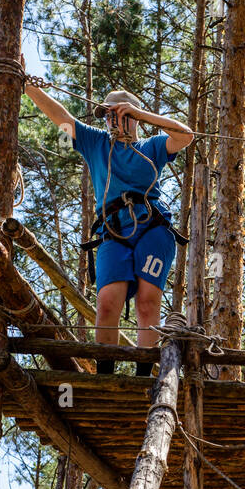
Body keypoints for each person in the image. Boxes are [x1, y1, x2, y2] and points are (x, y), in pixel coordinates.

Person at [24, 68, 193, 374]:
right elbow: (61, 117)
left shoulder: (151, 148)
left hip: (152, 227)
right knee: (106, 304)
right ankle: (105, 374)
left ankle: (144, 374)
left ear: (132, 117)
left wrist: (143, 115)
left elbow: (185, 136)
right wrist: (29, 87)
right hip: (113, 232)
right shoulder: (97, 143)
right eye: (107, 115)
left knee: (147, 302)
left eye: (118, 114)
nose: (112, 121)